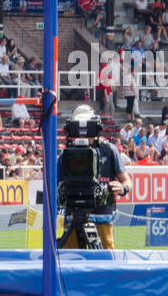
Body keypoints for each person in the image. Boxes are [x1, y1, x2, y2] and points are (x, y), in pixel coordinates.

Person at [56, 105, 132, 249]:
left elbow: (126, 179)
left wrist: (123, 188)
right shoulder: (66, 154)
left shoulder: (108, 149)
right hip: (73, 215)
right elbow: (56, 184)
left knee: (105, 259)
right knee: (70, 259)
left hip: (103, 215)